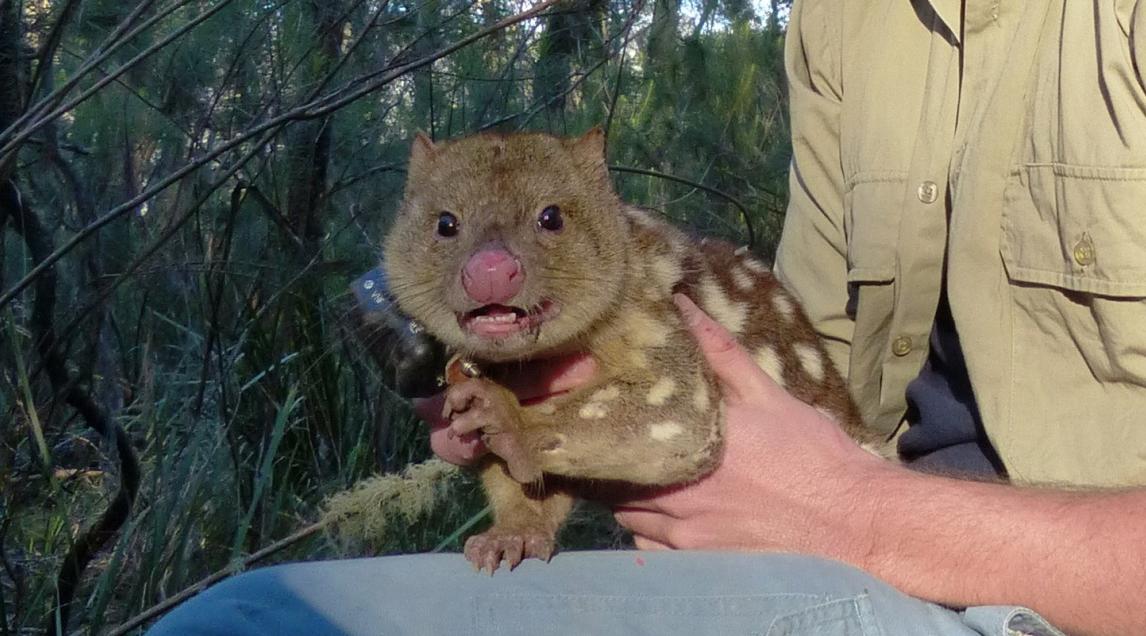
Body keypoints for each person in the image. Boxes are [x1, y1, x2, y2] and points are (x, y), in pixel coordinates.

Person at [148, 1, 1146, 634]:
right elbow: (814, 364)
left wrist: (860, 516)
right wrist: (538, 433)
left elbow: (824, 486)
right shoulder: (852, 21)